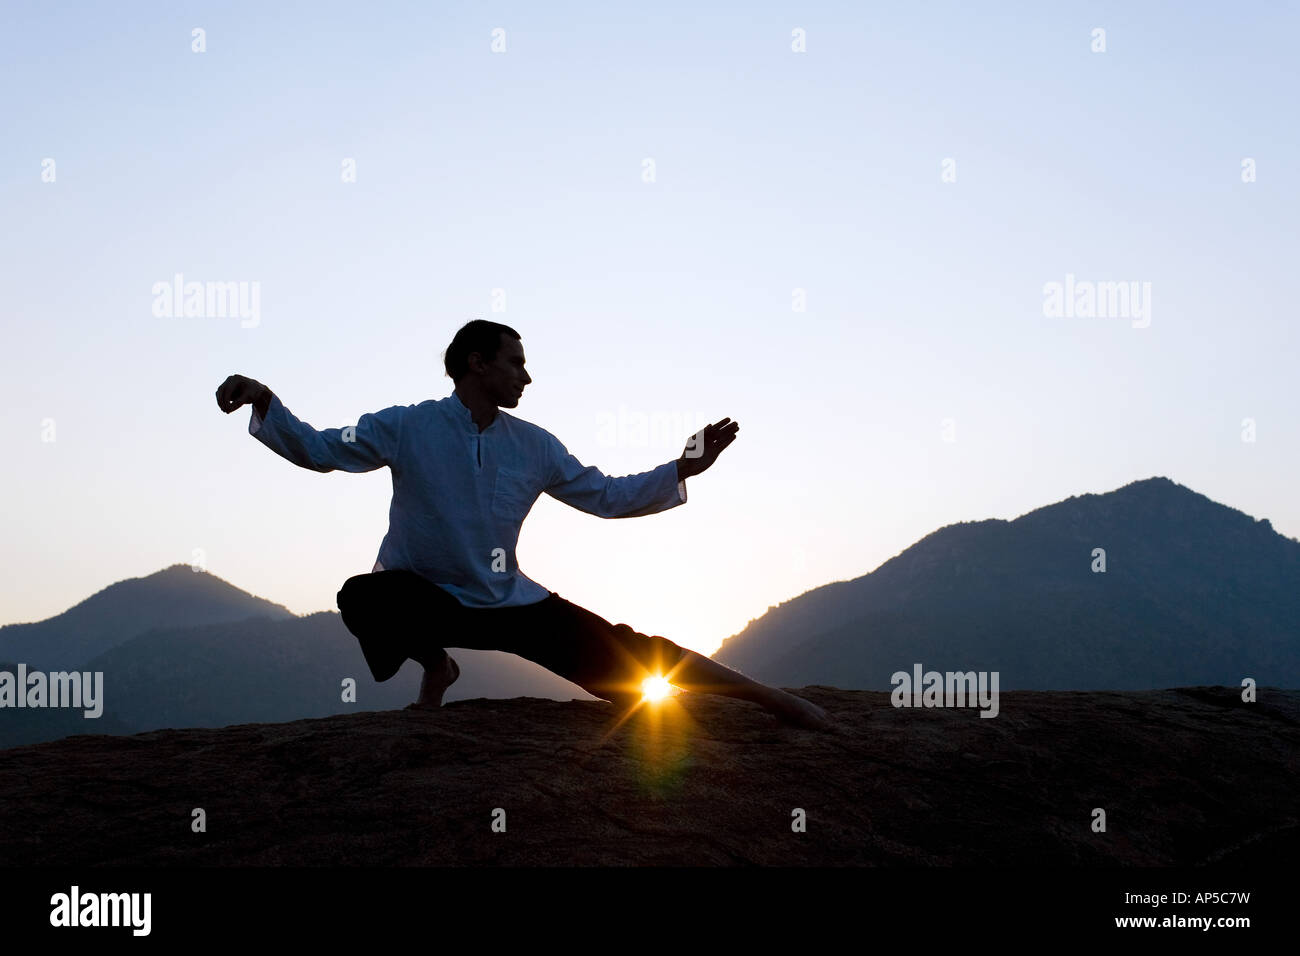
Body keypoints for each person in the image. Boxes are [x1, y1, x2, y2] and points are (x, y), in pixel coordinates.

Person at [215, 320, 833, 731]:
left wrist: (684, 465)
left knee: (630, 668)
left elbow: (606, 496)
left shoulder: (534, 445)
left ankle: (763, 696)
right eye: (517, 363)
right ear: (476, 363)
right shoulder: (407, 425)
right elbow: (320, 449)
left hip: (511, 603)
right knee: (361, 596)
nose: (527, 376)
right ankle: (436, 664)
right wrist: (264, 399)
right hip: (425, 597)